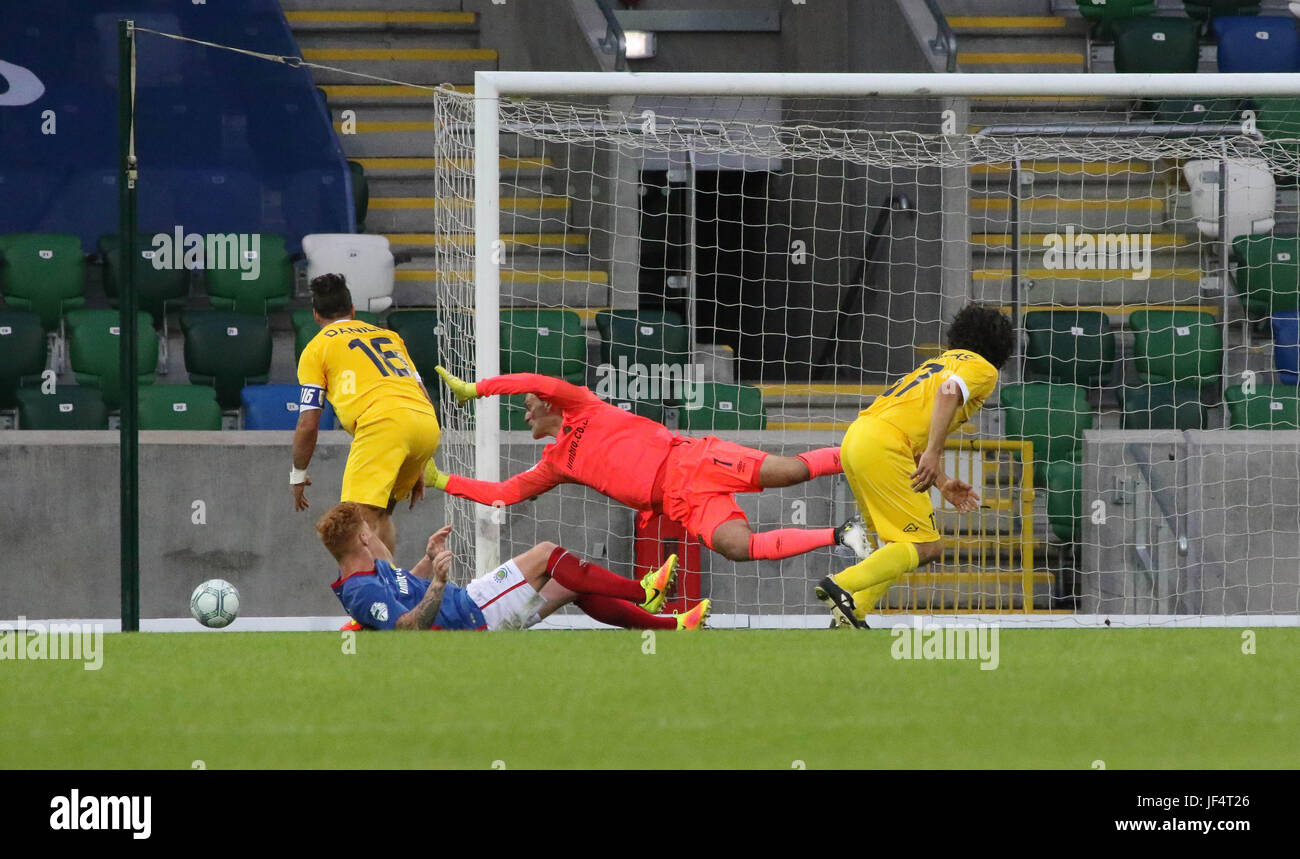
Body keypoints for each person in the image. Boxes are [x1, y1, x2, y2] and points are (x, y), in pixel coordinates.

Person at [425, 367, 869, 564]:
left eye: (527, 405)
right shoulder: (555, 463)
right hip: (679, 502)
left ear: (548, 403)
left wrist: (479, 389)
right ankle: (842, 534)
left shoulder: (582, 405)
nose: (524, 412)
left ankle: (862, 451)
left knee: (789, 472)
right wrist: (441, 478)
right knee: (734, 546)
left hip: (693, 461)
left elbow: (534, 380)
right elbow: (503, 494)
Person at [815, 303, 1015, 628]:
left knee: (895, 546)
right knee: (927, 545)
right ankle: (842, 584)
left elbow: (916, 428)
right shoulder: (983, 369)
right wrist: (935, 453)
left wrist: (943, 481)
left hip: (859, 437)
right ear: (1000, 346)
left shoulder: (939, 361)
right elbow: (949, 392)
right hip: (884, 444)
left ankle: (853, 611)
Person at [317, 502, 710, 632]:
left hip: (469, 607)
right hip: (472, 615)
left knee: (572, 584)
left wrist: (428, 559)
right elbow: (408, 628)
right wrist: (438, 584)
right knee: (547, 554)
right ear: (363, 538)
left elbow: (406, 587)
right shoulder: (360, 591)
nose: (376, 532)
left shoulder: (374, 569)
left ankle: (672, 625)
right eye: (370, 528)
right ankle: (643, 591)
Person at [291, 273, 440, 554]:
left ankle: (379, 596)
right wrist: (418, 458)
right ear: (353, 310)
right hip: (425, 424)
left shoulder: (316, 348)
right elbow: (422, 394)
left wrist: (298, 474)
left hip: (383, 425)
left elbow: (308, 424)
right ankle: (389, 588)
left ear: (315, 315)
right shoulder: (389, 336)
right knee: (381, 514)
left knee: (355, 525)